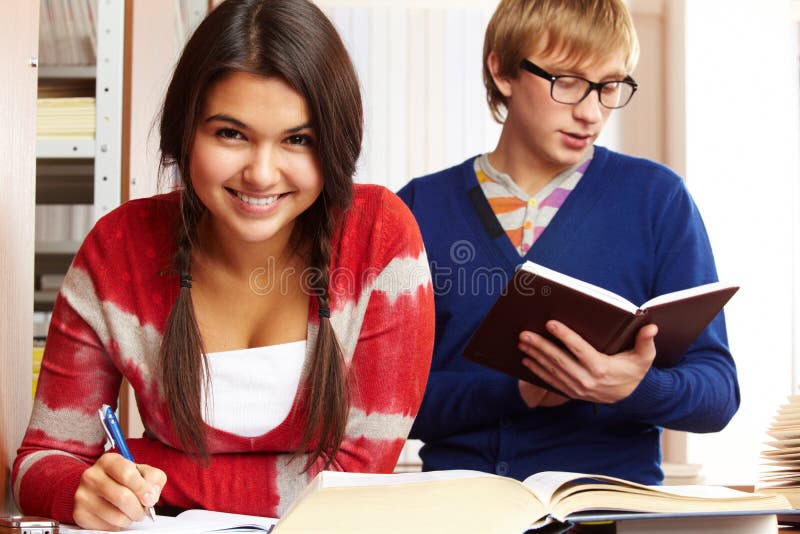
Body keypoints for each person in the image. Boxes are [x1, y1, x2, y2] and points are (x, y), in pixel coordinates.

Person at [13, 0, 434, 529]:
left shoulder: (380, 236)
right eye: (231, 134)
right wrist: (80, 489)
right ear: (186, 131)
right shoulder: (119, 247)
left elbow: (353, 484)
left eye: (298, 140)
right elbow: (41, 459)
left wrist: (149, 462)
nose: (261, 173)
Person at [397, 0, 738, 485]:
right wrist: (515, 392)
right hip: (464, 509)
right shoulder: (418, 208)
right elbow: (381, 403)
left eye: (609, 86)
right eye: (568, 82)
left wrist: (635, 386)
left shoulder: (657, 200)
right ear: (502, 71)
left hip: (610, 509)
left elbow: (719, 393)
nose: (591, 112)